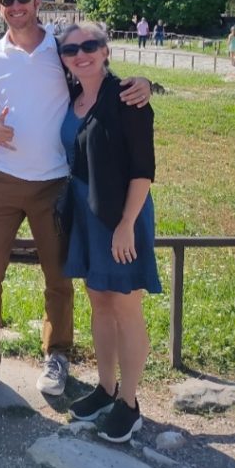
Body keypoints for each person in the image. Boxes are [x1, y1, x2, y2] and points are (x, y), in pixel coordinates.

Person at [0, 0, 150, 406]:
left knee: (59, 276)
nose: (15, 6)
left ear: (37, 2)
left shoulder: (60, 50)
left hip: (56, 181)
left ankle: (56, 354)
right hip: (4, 178)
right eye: (7, 1)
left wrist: (145, 84)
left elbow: (98, 76)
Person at [58, 22, 160, 444]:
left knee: (125, 307)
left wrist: (125, 226)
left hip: (121, 213)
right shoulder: (73, 97)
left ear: (105, 51)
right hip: (85, 210)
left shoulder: (128, 99)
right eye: (71, 49)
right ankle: (105, 388)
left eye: (90, 45)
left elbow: (143, 170)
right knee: (99, 301)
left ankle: (130, 404)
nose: (81, 54)